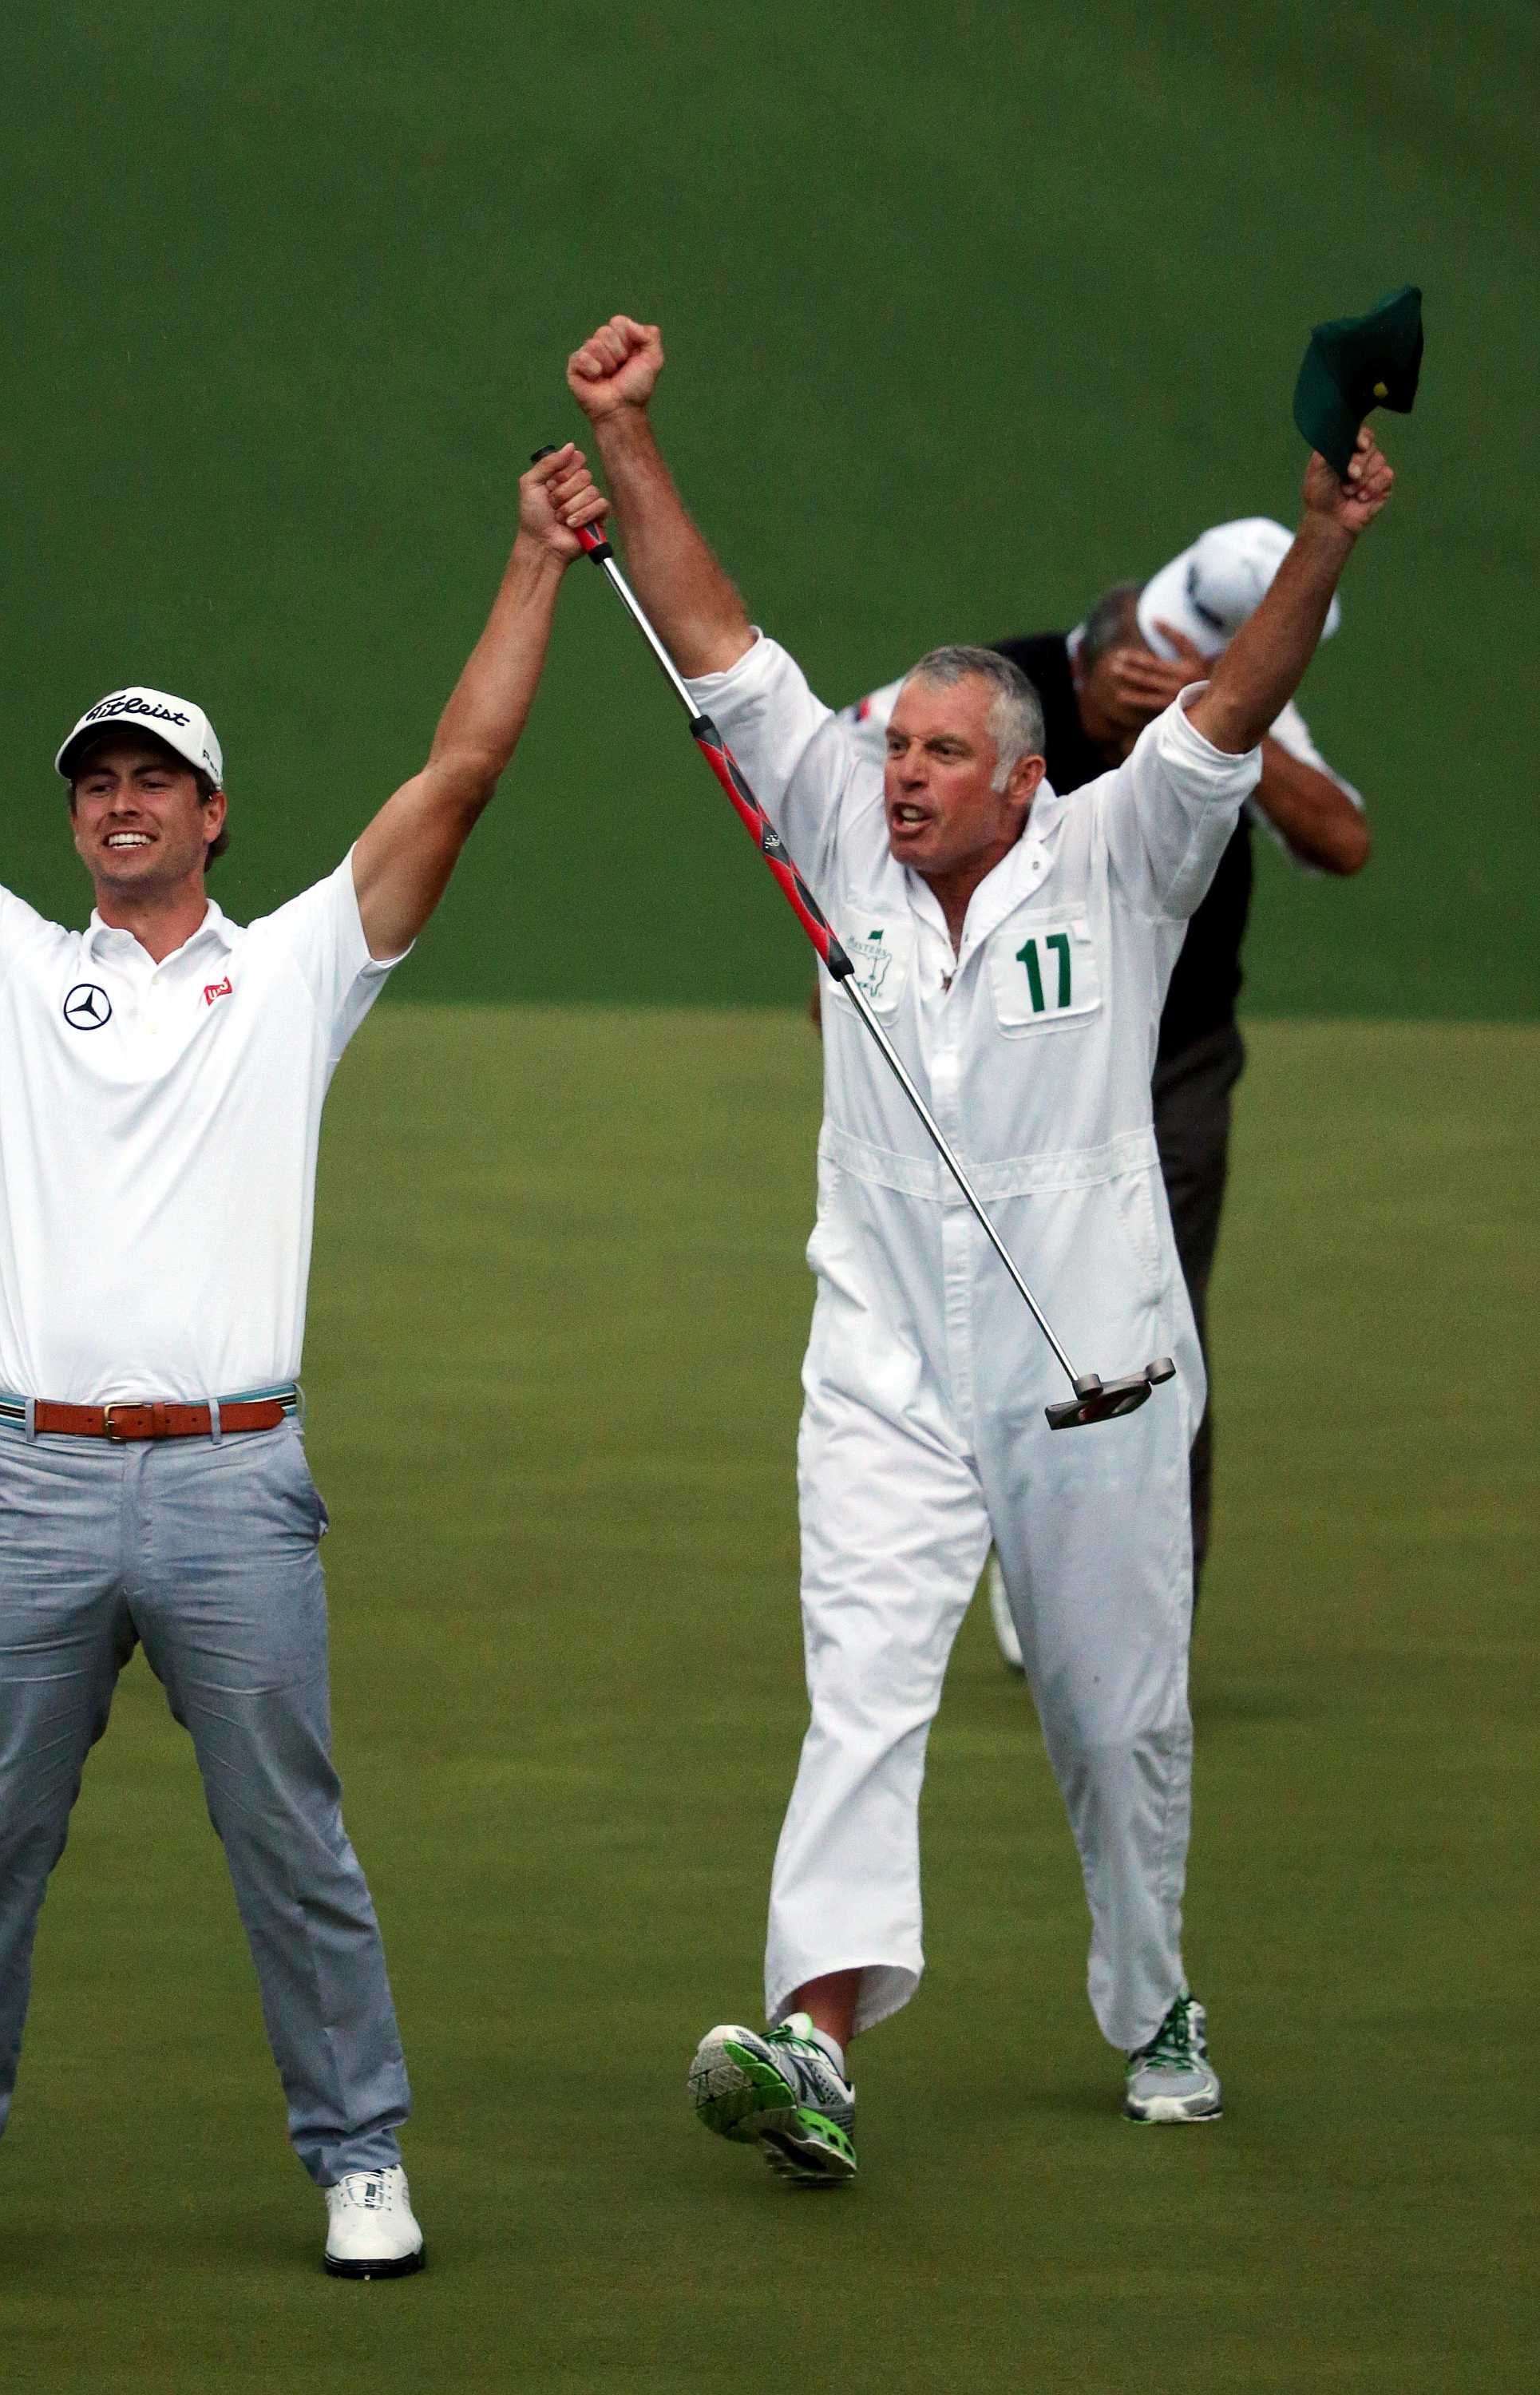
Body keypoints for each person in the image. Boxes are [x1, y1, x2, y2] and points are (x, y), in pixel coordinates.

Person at [0, 442, 609, 2275]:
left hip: (231, 1479)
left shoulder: (293, 974)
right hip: (30, 1476)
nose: (120, 806)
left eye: (156, 782)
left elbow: (461, 771)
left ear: (214, 814)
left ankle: (360, 2159)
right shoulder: (0, 969)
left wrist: (532, 557)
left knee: (295, 1847)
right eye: (97, 785)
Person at [564, 314, 1396, 2173]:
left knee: (1111, 1725)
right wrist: (625, 435)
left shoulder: (1121, 860)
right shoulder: (840, 844)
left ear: (1022, 778)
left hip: (1091, 1369)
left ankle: (1149, 1992)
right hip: (878, 1357)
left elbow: (1231, 711)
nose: (904, 772)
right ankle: (812, 2045)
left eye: (943, 750)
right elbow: (713, 642)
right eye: (896, 748)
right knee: (858, 1684)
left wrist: (1323, 541)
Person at [841, 528, 1371, 1661]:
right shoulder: (998, 692)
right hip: (1001, 1057)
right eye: (1131, 671)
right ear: (1080, 663)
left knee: (1154, 1316)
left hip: (1170, 1066)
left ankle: (1147, 1603)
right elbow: (851, 785)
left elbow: (1341, 840)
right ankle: (1006, 1541)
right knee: (971, 1299)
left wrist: (1215, 716)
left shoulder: (1226, 708)